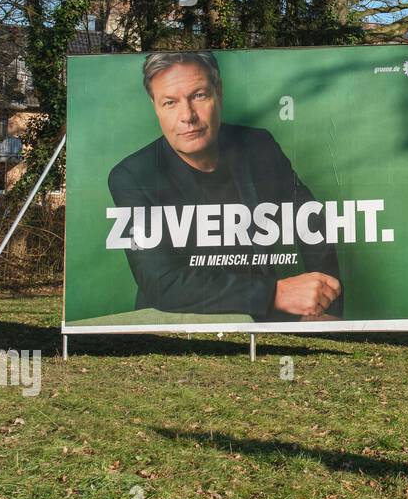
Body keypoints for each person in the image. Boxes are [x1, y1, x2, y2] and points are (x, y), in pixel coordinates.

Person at [107, 51, 343, 321]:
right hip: (179, 323)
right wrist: (275, 293)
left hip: (265, 317)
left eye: (198, 96)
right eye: (170, 102)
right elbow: (163, 283)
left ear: (218, 92)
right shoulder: (132, 176)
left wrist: (325, 306)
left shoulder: (258, 145)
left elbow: (313, 225)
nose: (187, 116)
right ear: (154, 105)